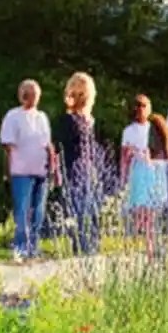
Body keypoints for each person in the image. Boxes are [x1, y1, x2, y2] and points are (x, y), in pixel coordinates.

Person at [0, 79, 57, 262]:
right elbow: (8, 146)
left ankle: (34, 247)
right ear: (23, 95)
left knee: (38, 212)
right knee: (22, 211)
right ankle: (21, 248)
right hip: (21, 171)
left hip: (41, 170)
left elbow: (48, 144)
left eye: (36, 94)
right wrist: (7, 171)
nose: (34, 98)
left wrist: (53, 167)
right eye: (31, 94)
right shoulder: (13, 116)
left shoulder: (41, 117)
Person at [56, 72, 100, 255]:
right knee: (78, 208)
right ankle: (81, 245)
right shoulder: (67, 120)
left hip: (88, 168)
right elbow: (59, 146)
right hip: (72, 167)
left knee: (92, 208)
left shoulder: (89, 120)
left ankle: (92, 244)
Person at [122, 95, 168, 257]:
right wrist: (124, 175)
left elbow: (165, 149)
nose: (141, 109)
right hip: (139, 171)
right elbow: (125, 155)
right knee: (140, 211)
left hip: (155, 170)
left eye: (144, 105)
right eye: (138, 106)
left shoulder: (156, 127)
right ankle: (136, 244)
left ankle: (151, 247)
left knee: (152, 212)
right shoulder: (129, 131)